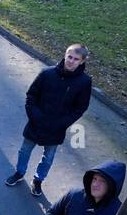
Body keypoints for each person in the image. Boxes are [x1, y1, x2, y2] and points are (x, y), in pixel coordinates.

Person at [5, 43, 92, 197]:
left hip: (56, 128)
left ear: (82, 61)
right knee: (24, 150)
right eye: (69, 56)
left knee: (48, 157)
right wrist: (35, 115)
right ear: (65, 55)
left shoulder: (84, 82)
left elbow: (80, 108)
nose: (71, 61)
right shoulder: (47, 73)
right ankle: (19, 172)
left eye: (76, 59)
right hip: (36, 123)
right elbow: (31, 95)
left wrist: (62, 123)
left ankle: (38, 180)